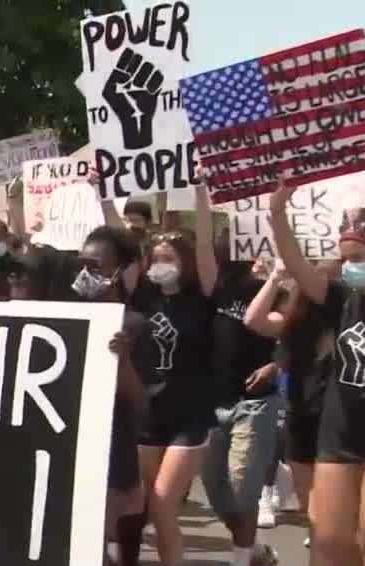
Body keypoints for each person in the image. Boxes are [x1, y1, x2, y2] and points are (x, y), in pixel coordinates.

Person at [119, 182, 219, 566]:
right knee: (146, 505)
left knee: (162, 502)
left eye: (169, 258)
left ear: (186, 262)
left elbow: (206, 246)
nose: (159, 264)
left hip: (190, 416)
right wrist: (104, 197)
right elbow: (123, 251)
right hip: (149, 415)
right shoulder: (143, 295)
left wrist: (201, 195)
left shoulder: (202, 295)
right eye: (154, 257)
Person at [268, 179, 365, 566]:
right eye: (347, 263)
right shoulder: (342, 297)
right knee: (328, 544)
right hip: (339, 433)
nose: (351, 270)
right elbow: (296, 264)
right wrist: (277, 213)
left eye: (359, 261)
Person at [71, 226, 149, 566]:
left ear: (119, 270)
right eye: (82, 264)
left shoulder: (133, 324)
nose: (86, 273)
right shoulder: (68, 318)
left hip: (112, 442)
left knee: (97, 536)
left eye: (96, 265)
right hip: (73, 440)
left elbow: (139, 397)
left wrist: (123, 359)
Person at [199, 255, 282, 566]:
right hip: (212, 403)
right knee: (216, 492)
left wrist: (276, 366)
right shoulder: (219, 288)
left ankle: (241, 559)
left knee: (241, 490)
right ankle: (255, 550)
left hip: (255, 403)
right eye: (252, 257)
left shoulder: (283, 293)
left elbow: (300, 340)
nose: (258, 263)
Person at [245, 259, 335, 531]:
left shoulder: (350, 309)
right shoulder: (294, 314)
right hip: (302, 412)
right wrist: (275, 277)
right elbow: (254, 320)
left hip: (343, 418)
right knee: (312, 511)